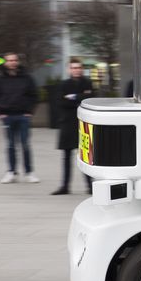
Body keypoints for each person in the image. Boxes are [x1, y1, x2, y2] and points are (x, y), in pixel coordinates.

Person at [0, 52, 40, 184]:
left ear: (17, 61)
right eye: (9, 60)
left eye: (14, 60)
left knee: (25, 145)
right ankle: (11, 172)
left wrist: (29, 111)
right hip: (7, 116)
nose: (12, 62)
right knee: (10, 145)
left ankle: (29, 172)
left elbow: (34, 95)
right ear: (5, 62)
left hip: (23, 116)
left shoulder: (27, 78)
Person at [51, 58, 94, 195]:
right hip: (68, 124)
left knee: (86, 156)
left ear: (81, 69)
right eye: (73, 68)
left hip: (83, 124)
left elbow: (90, 99)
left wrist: (72, 97)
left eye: (78, 68)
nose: (76, 70)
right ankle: (65, 186)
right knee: (66, 156)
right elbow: (60, 102)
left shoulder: (87, 83)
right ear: (69, 70)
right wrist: (80, 98)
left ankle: (90, 186)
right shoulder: (63, 85)